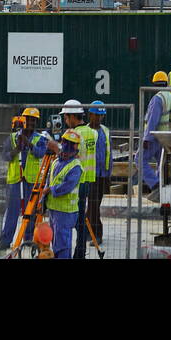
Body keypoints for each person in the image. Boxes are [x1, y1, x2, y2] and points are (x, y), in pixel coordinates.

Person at [0, 108, 50, 251]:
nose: (31, 122)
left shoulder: (41, 138)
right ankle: (5, 240)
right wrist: (17, 149)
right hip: (15, 180)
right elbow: (5, 156)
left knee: (30, 213)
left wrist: (28, 144)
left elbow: (40, 153)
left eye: (34, 120)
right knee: (12, 212)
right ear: (23, 120)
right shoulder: (13, 137)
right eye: (29, 119)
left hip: (32, 182)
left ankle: (28, 239)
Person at [63, 99, 97, 260]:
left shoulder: (75, 135)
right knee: (81, 220)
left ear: (72, 116)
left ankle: (78, 253)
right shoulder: (92, 132)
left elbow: (68, 156)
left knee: (75, 220)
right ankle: (80, 253)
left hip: (76, 182)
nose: (64, 121)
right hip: (87, 181)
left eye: (66, 117)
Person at [45, 129, 84, 258]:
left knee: (62, 246)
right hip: (53, 209)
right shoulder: (56, 162)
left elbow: (67, 186)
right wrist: (42, 201)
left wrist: (51, 190)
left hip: (66, 212)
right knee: (55, 242)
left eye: (71, 143)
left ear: (75, 147)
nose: (66, 145)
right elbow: (49, 181)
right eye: (65, 142)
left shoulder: (75, 166)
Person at [139, 71, 171, 192]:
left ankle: (155, 185)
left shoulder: (157, 99)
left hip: (155, 136)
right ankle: (161, 184)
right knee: (161, 163)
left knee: (139, 159)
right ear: (166, 83)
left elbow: (152, 120)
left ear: (154, 85)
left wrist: (147, 138)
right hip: (166, 137)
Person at [87, 101, 111, 248]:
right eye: (97, 115)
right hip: (89, 175)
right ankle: (96, 233)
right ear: (90, 115)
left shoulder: (105, 131)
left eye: (101, 116)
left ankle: (92, 232)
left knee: (94, 205)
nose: (99, 118)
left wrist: (108, 174)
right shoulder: (85, 131)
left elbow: (109, 153)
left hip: (102, 175)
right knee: (93, 205)